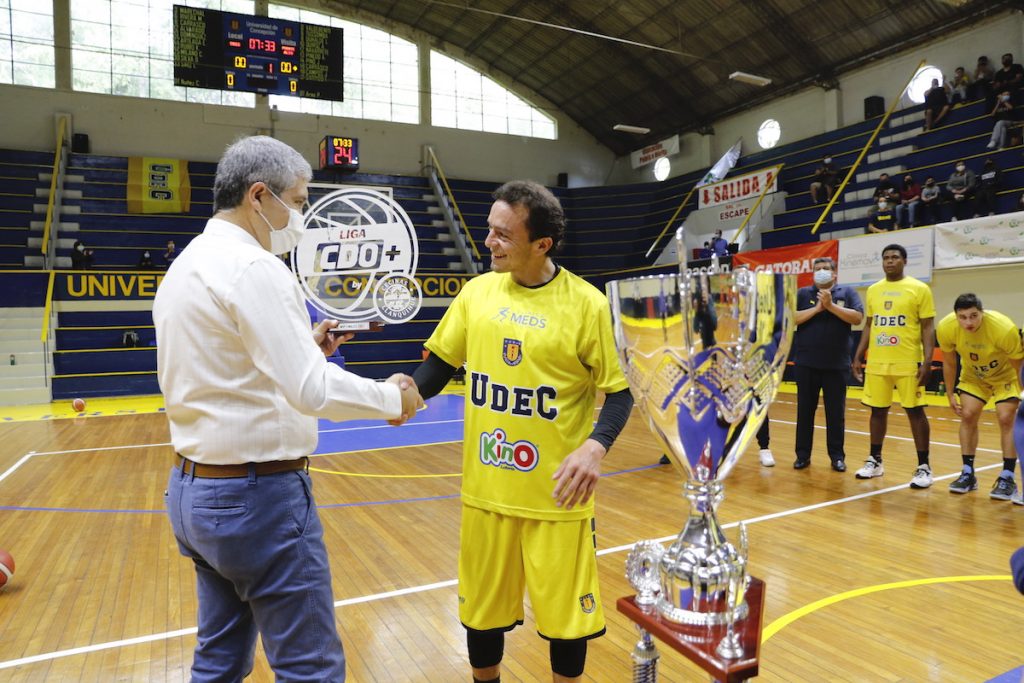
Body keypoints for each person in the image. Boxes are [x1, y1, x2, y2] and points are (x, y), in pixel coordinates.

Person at [153, 135, 423, 682]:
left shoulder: (187, 264)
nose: (300, 217)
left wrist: (307, 345)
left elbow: (233, 366)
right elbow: (311, 391)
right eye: (297, 203)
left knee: (220, 660)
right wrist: (393, 398)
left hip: (192, 494)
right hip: (258, 501)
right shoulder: (255, 267)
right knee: (311, 670)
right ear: (259, 196)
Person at [410, 180, 633, 683]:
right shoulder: (476, 293)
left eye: (503, 234)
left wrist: (595, 448)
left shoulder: (587, 304)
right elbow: (439, 367)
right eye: (489, 230)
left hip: (557, 498)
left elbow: (619, 392)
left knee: (566, 626)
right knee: (481, 617)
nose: (489, 241)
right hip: (486, 493)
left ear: (541, 244)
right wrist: (398, 395)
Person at [851, 244, 936, 488]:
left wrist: (928, 361)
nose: (890, 261)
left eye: (895, 257)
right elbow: (869, 325)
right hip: (878, 361)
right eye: (886, 258)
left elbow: (928, 327)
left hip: (908, 360)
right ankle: (875, 460)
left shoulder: (919, 289)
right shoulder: (874, 290)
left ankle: (923, 466)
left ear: (905, 261)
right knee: (877, 411)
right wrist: (858, 355)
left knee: (915, 411)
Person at [937, 294, 1023, 500]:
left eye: (974, 316)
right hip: (974, 376)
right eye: (963, 317)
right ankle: (968, 473)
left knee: (1006, 417)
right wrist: (950, 393)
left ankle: (1007, 477)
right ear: (956, 316)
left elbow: (1019, 364)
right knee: (968, 414)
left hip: (1006, 376)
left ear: (982, 313)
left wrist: (1022, 393)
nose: (969, 322)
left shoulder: (1003, 328)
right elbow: (949, 363)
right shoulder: (946, 327)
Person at [793, 257, 864, 471]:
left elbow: (857, 318)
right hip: (806, 363)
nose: (821, 271)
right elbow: (791, 318)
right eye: (817, 269)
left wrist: (830, 305)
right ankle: (802, 455)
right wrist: (817, 309)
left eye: (825, 268)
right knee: (805, 412)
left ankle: (837, 457)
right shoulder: (802, 294)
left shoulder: (847, 293)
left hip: (836, 365)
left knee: (836, 415)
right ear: (812, 273)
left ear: (834, 274)